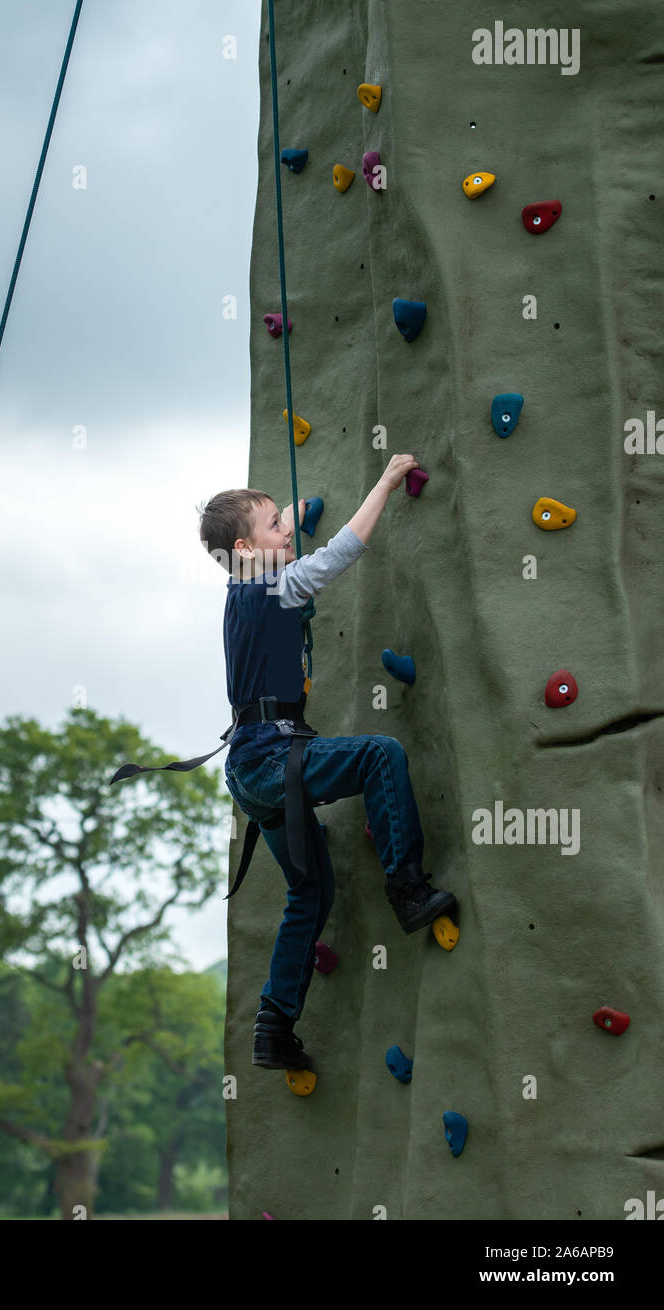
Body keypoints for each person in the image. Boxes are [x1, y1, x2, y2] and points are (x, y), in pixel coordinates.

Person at [197, 454, 457, 1073]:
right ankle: (408, 889)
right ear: (244, 546)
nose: (287, 530)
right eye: (274, 526)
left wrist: (283, 517)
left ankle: (274, 1026)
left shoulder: (244, 593)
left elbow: (282, 537)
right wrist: (388, 481)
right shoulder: (271, 586)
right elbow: (344, 549)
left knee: (310, 892)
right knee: (379, 753)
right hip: (270, 761)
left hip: (254, 773)